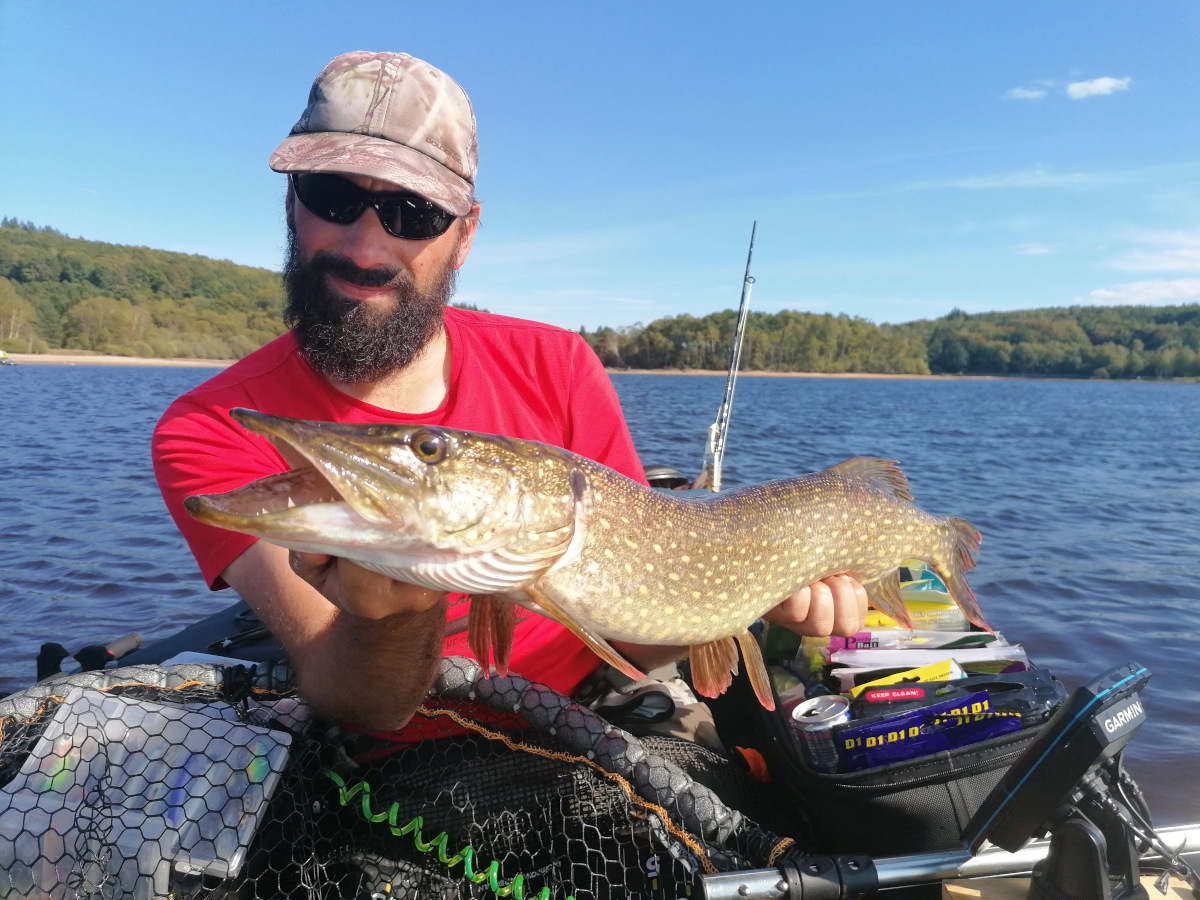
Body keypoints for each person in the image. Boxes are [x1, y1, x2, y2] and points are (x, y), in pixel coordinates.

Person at [152, 50, 867, 734]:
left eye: (413, 213)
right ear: (290, 204)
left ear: (465, 235)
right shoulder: (211, 428)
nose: (367, 248)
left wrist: (754, 595)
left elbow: (636, 636)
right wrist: (395, 616)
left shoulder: (556, 363)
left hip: (589, 714)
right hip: (385, 750)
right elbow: (360, 703)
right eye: (333, 196)